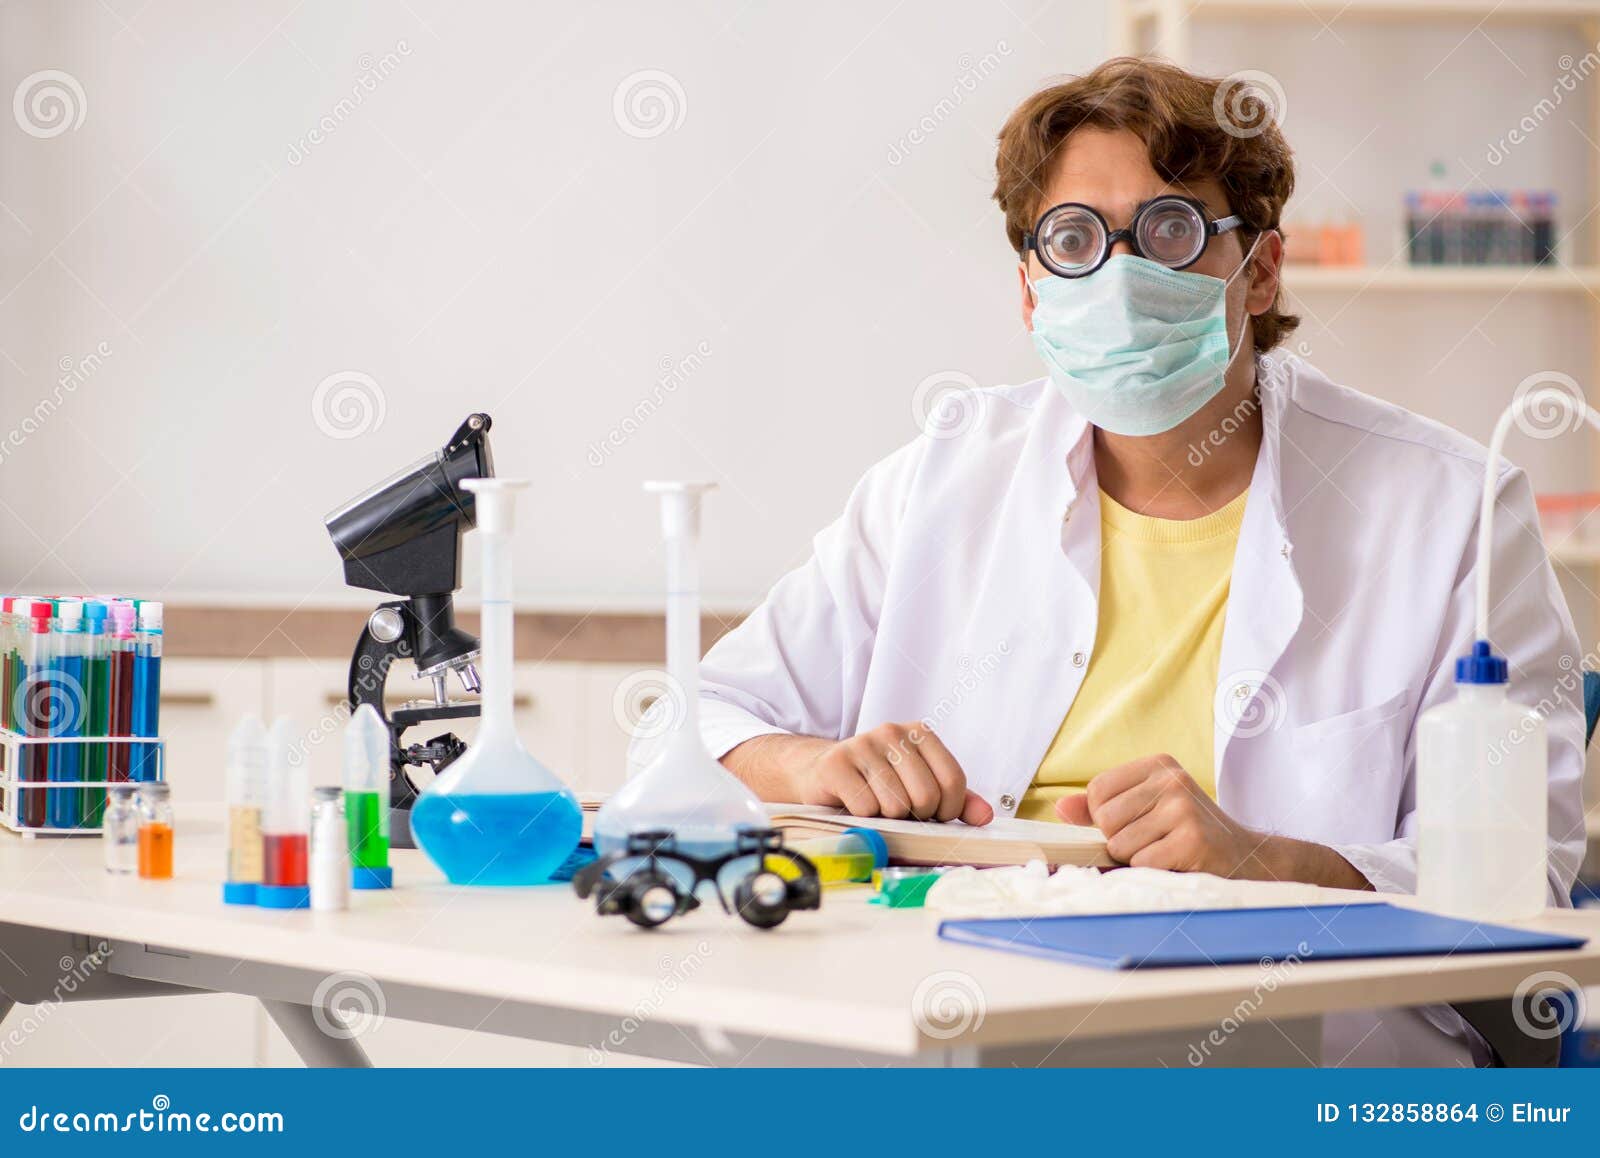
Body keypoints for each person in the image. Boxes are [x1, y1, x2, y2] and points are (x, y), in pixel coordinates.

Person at [686, 57, 1586, 1064]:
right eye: (1073, 240)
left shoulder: (1448, 508)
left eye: (1169, 231)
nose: (1119, 279)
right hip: (953, 1000)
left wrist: (1259, 861)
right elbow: (700, 723)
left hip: (1297, 1051)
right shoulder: (939, 478)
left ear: (1263, 267)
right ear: (1031, 291)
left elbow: (1523, 886)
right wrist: (819, 764)